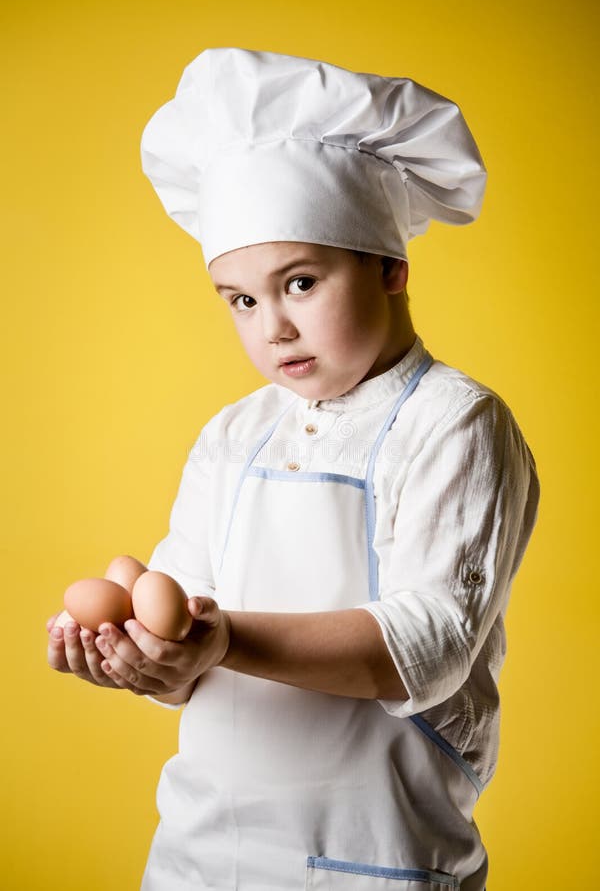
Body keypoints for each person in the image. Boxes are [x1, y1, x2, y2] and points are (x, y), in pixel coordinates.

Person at [47, 48, 540, 890]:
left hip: (370, 859)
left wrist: (225, 638)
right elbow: (183, 613)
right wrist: (151, 659)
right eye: (240, 299)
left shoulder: (456, 422)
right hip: (199, 854)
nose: (271, 327)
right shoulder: (233, 435)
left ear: (390, 267)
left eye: (300, 282)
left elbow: (430, 641)